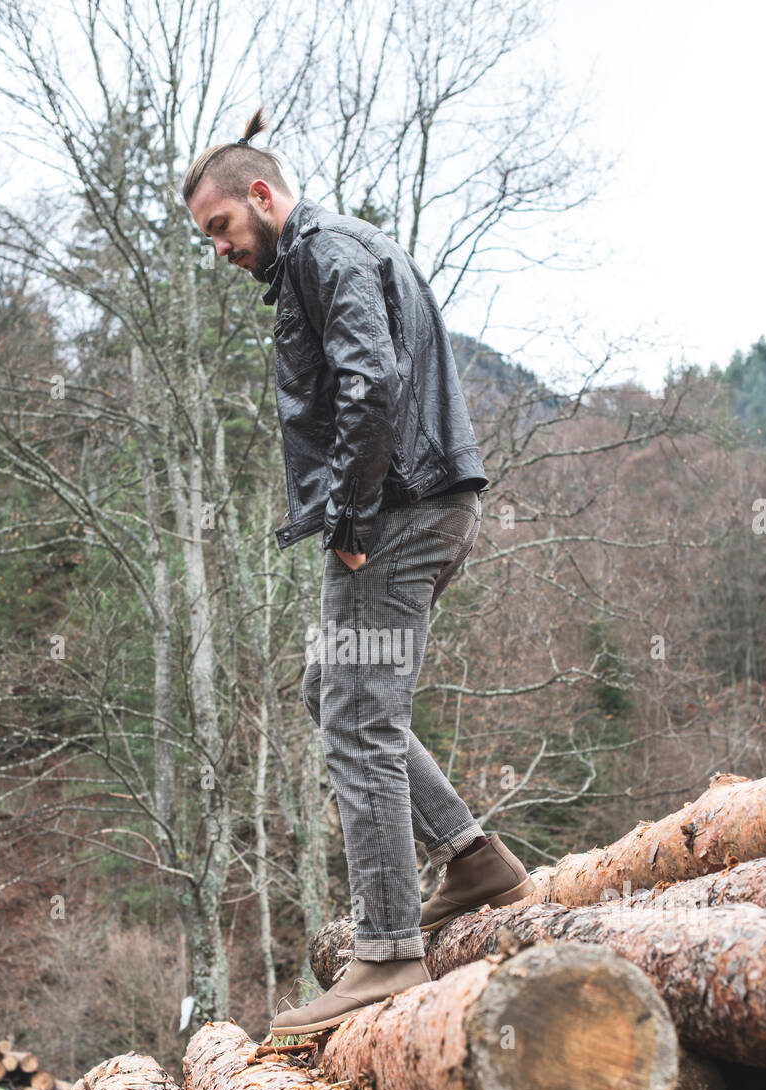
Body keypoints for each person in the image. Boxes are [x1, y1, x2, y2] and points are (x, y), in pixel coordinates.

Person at [182, 107, 534, 1037]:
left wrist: (345, 511)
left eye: (219, 227)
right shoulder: (324, 254)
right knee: (325, 687)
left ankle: (385, 953)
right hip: (418, 505)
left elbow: (370, 380)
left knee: (358, 718)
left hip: (393, 513)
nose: (217, 248)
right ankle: (474, 858)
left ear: (261, 197)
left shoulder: (327, 252)